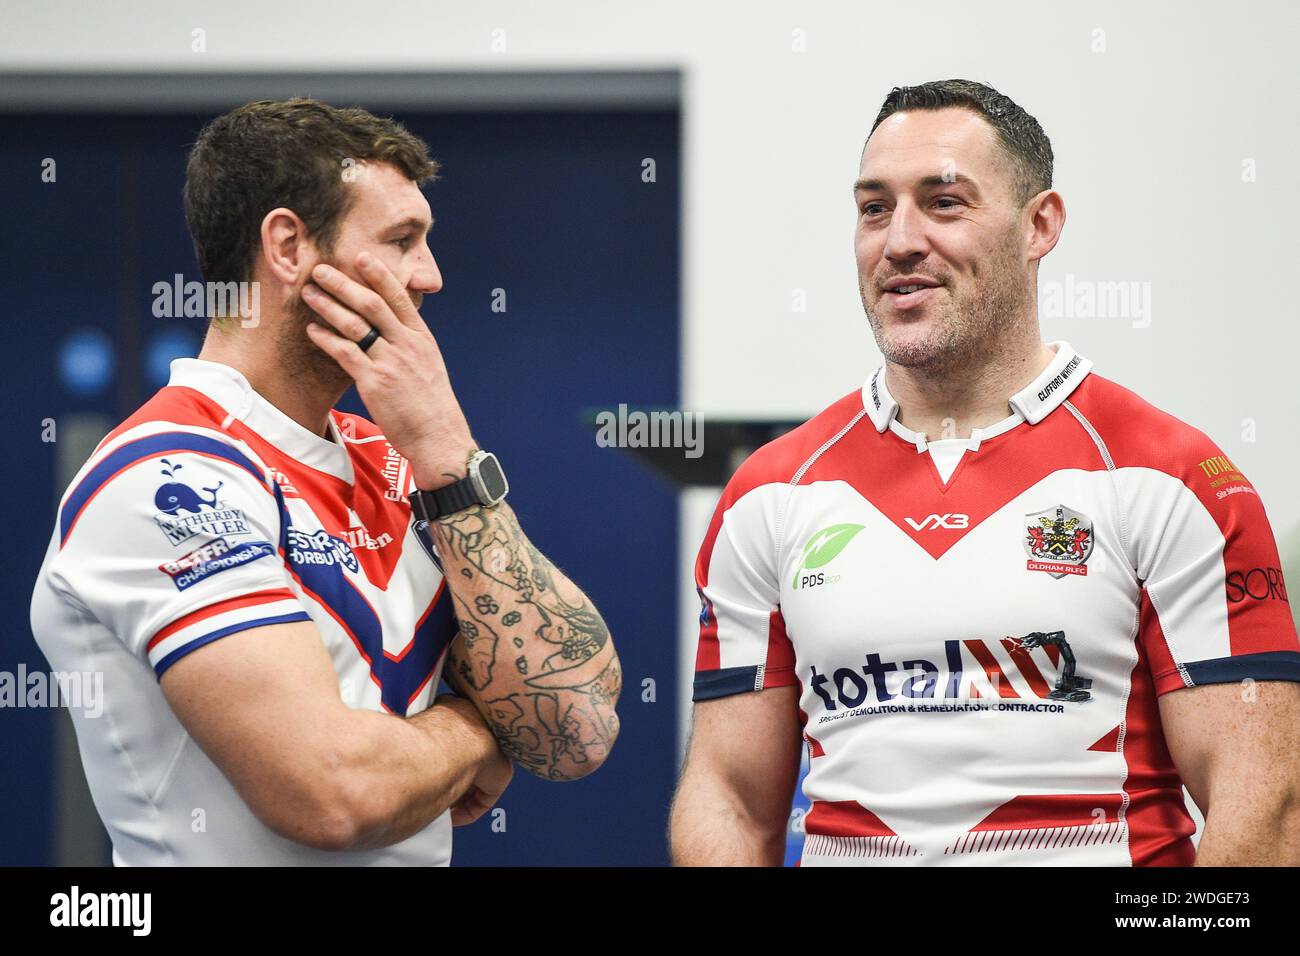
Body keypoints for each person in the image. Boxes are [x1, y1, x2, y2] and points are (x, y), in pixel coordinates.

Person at [670, 79, 1300, 866]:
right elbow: (727, 796)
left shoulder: (1174, 477)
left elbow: (1264, 807)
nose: (898, 240)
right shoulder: (768, 494)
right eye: (874, 208)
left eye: (943, 202)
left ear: (1041, 225)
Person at [31, 98, 621, 865]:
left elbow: (579, 728)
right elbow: (331, 794)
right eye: (402, 242)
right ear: (287, 247)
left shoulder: (405, 461)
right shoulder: (168, 473)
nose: (432, 277)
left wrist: (449, 453)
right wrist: (476, 731)